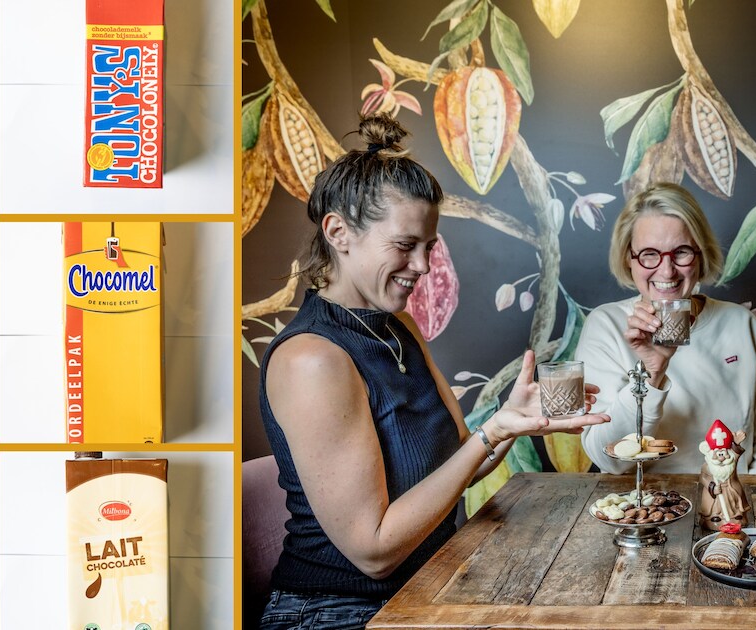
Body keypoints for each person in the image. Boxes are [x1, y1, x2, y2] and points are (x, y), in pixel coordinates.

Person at [257, 114, 608, 629]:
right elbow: (373, 551)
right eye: (405, 246)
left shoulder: (397, 325)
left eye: (429, 246)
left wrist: (511, 422)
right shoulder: (312, 359)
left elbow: (462, 465)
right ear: (338, 232)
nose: (422, 266)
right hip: (336, 613)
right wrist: (490, 434)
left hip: (429, 589)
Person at [577, 182, 756, 475]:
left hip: (733, 512)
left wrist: (750, 507)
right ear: (628, 259)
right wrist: (652, 374)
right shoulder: (606, 326)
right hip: (641, 513)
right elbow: (610, 460)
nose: (666, 271)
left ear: (700, 254)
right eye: (649, 254)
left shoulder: (741, 324)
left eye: (680, 252)